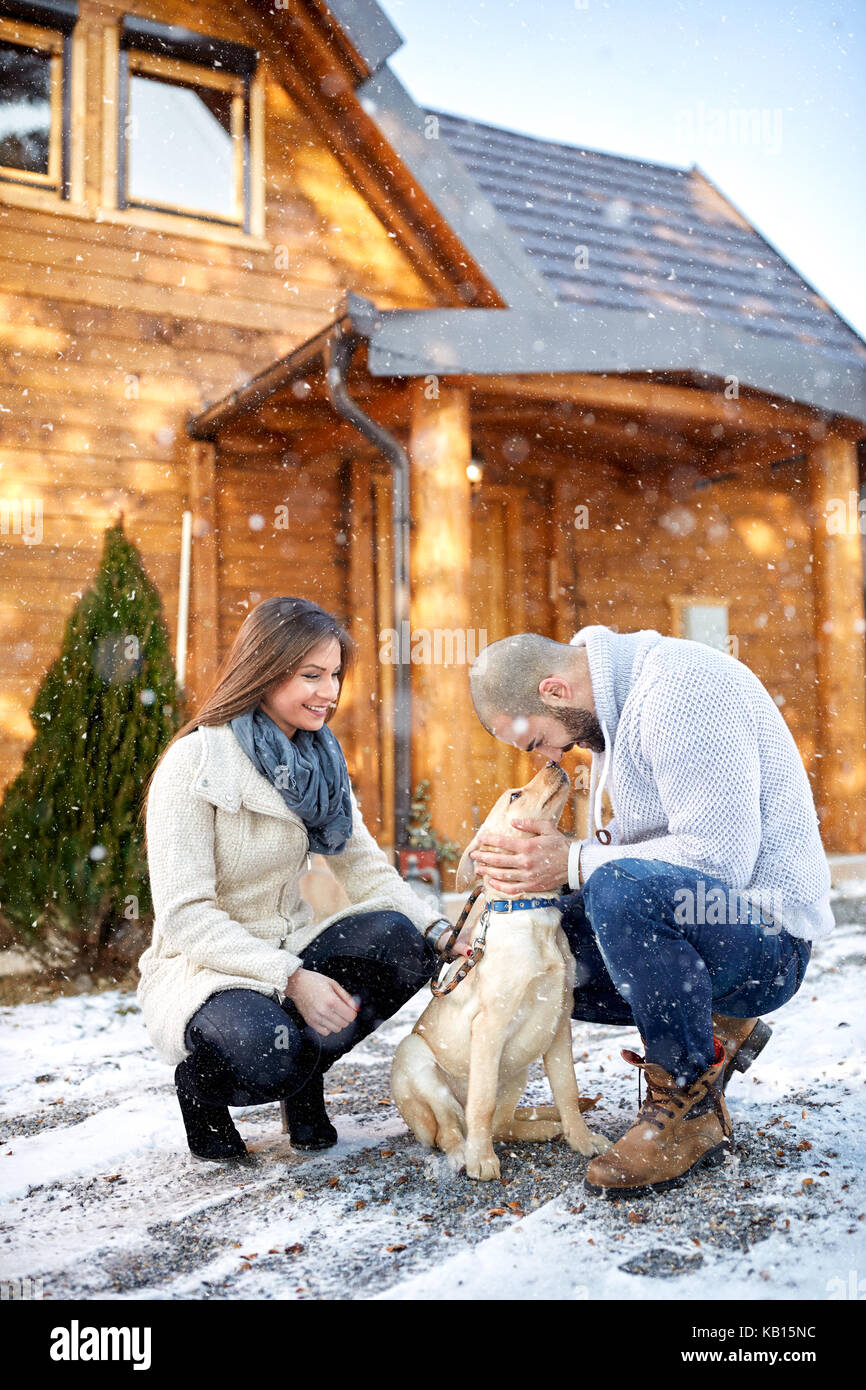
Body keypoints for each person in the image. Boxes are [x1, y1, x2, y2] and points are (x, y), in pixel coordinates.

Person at [462, 624, 832, 1197]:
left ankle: (689, 1107)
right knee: (542, 950)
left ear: (555, 691)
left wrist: (576, 861)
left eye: (537, 741)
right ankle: (718, 1027)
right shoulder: (617, 706)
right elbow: (649, 857)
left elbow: (716, 862)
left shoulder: (681, 690)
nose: (552, 757)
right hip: (711, 924)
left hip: (768, 939)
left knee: (615, 888)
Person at [136, 596, 457, 1163]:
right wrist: (291, 979)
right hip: (208, 968)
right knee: (265, 1055)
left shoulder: (319, 764)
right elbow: (186, 917)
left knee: (401, 942)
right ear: (263, 667)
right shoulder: (194, 764)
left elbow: (366, 869)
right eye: (312, 675)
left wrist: (439, 931)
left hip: (289, 943)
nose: (329, 692)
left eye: (334, 675)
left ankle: (304, 1078)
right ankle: (202, 1091)